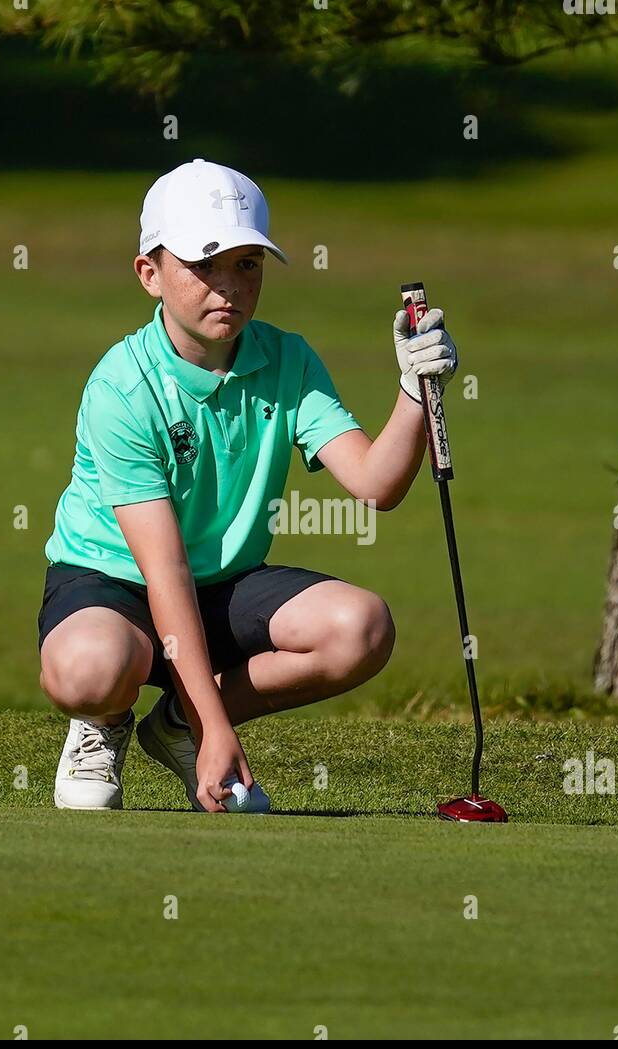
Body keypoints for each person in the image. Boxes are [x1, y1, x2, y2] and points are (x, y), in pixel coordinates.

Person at [38, 158, 457, 812]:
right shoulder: (121, 387)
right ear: (150, 274)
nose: (227, 286)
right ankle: (106, 724)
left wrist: (412, 389)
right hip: (115, 584)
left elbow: (377, 486)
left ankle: (174, 725)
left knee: (361, 628)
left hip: (222, 586)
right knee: (87, 668)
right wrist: (219, 730)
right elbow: (166, 569)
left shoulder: (287, 358)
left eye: (247, 265)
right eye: (203, 266)